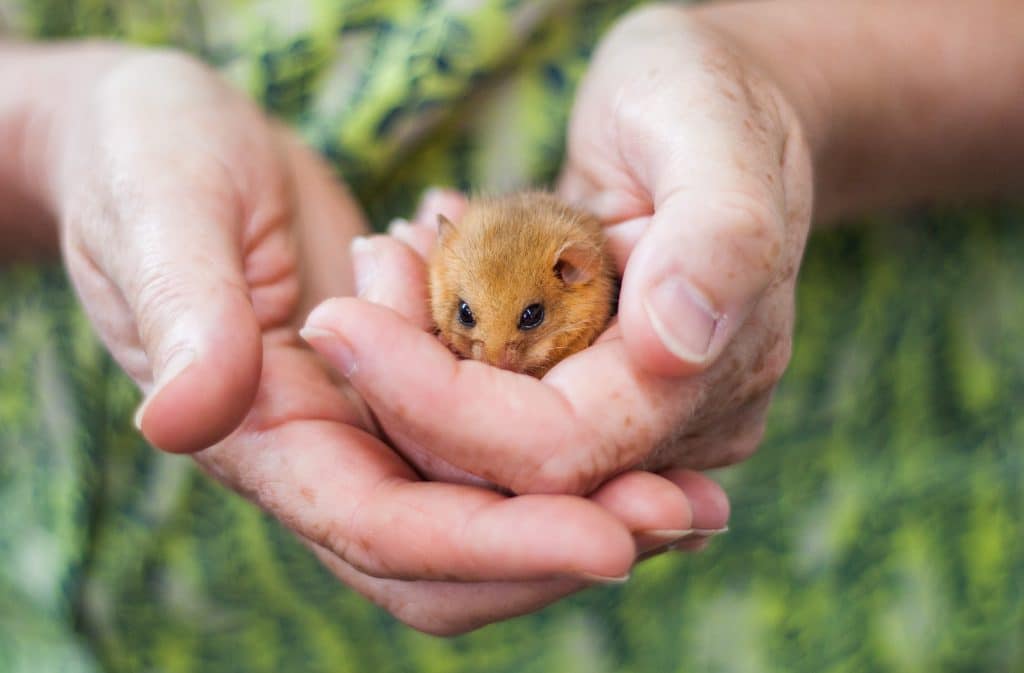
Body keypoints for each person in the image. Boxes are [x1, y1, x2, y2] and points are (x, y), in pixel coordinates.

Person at [1, 0, 1022, 666]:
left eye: (526, 322)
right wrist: (58, 126)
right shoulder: (470, 279)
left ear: (573, 277)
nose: (490, 353)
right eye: (466, 324)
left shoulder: (580, 269)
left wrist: (780, 84)